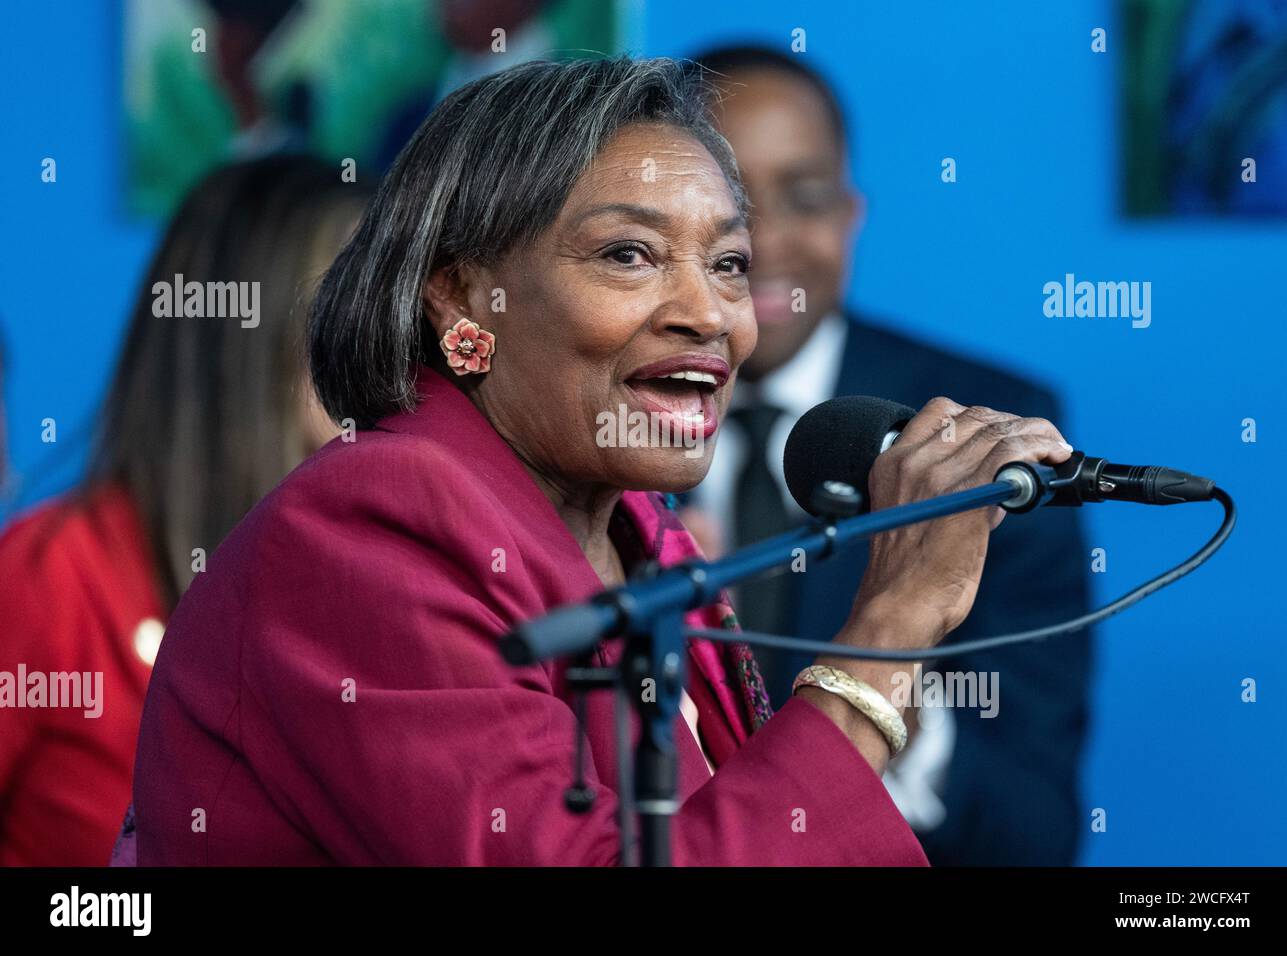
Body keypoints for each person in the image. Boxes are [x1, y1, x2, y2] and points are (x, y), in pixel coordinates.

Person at [122, 57, 1074, 866]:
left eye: (730, 264)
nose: (709, 313)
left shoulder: (645, 535)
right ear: (462, 301)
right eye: (630, 254)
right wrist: (894, 620)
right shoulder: (367, 527)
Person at [685, 45, 1095, 865]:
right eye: (725, 204)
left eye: (802, 197)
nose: (763, 243)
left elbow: (1034, 829)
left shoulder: (987, 437)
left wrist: (890, 709)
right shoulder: (591, 424)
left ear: (850, 214)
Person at [0, 156, 367, 866]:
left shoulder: (382, 586)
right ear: (240, 337)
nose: (394, 341)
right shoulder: (49, 579)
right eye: (351, 303)